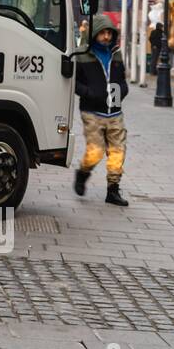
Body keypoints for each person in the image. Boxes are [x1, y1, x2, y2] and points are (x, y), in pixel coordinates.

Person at [72, 13, 130, 206]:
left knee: (117, 151)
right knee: (95, 151)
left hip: (115, 112)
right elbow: (74, 83)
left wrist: (122, 90)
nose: (106, 37)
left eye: (109, 33)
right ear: (93, 34)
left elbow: (122, 79)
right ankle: (83, 173)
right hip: (91, 111)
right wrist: (89, 92)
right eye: (102, 33)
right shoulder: (81, 54)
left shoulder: (116, 53)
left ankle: (113, 190)